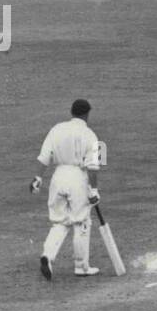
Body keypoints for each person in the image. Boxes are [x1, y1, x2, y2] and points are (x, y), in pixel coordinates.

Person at [32, 99, 102, 279]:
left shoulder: (57, 129)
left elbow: (44, 157)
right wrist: (94, 190)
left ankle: (48, 256)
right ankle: (82, 267)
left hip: (58, 177)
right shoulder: (90, 134)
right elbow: (92, 167)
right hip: (78, 178)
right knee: (81, 221)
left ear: (71, 112)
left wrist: (38, 178)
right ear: (87, 114)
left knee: (60, 221)